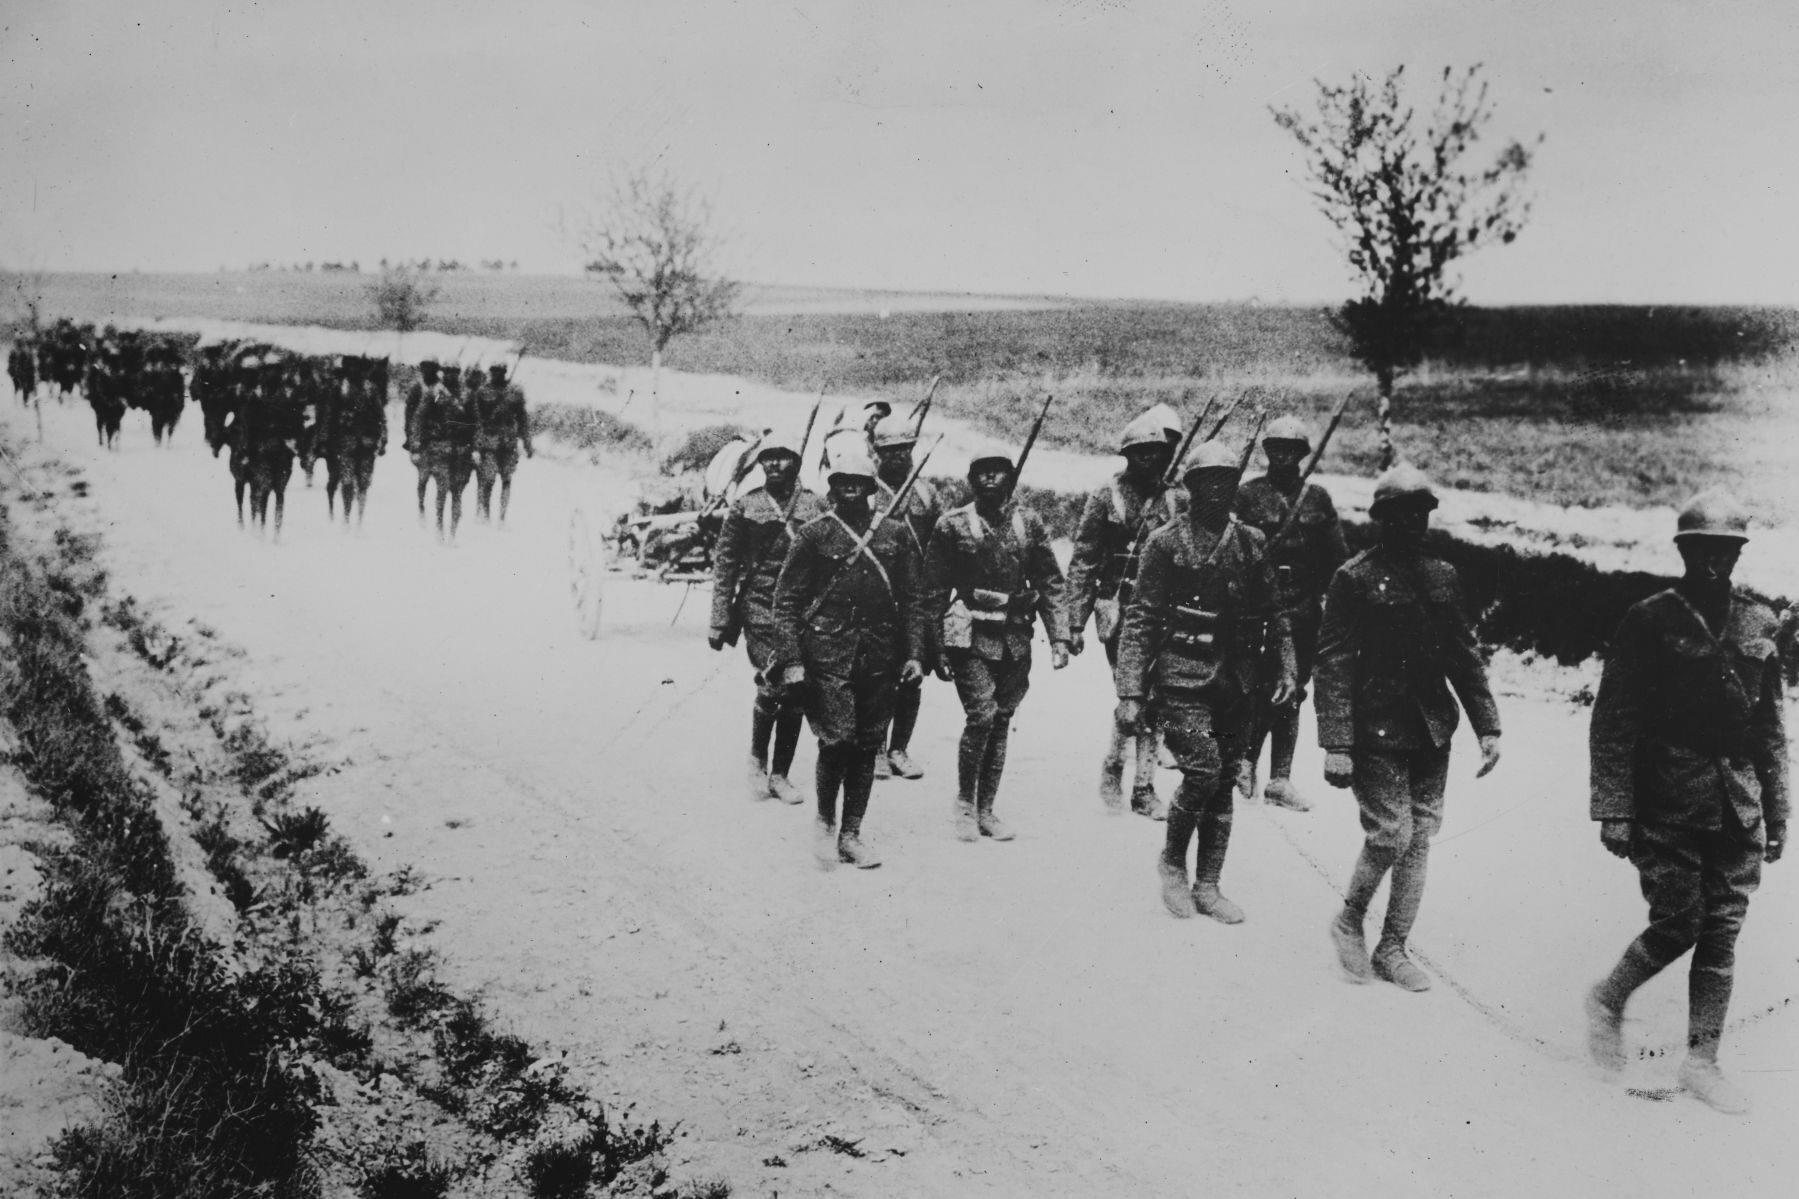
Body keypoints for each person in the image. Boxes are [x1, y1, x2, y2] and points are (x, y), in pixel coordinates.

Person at [1583, 488, 1787, 1114]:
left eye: (1726, 551)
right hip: (1666, 797)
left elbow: (1770, 728)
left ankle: (1702, 1061)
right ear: (1683, 551)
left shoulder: (1759, 622)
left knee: (1723, 929)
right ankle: (1608, 998)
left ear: (1739, 554)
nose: (1714, 562)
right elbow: (1613, 720)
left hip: (1738, 802)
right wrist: (1614, 807)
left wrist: (1779, 811)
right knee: (1679, 920)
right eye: (1703, 551)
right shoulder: (1650, 619)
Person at [1316, 463, 1502, 991]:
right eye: (1402, 515)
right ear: (1382, 518)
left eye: (1421, 514)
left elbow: (1463, 653)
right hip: (1374, 725)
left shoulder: (1443, 575)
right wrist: (1337, 743)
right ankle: (1349, 920)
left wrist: (1487, 725)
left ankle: (1392, 948)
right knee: (1390, 833)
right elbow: (1333, 662)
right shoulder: (1354, 577)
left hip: (1432, 728)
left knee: (1419, 839)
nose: (1413, 523)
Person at [1116, 440, 1294, 923]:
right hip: (1180, 680)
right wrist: (1130, 692)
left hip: (1235, 682)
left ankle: (1209, 883)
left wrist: (1286, 665)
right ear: (1190, 486)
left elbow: (1274, 611)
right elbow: (1141, 618)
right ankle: (1173, 863)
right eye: (1206, 481)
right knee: (1202, 769)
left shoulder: (1250, 542)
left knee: (1224, 779)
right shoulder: (1165, 543)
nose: (1217, 490)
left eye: (1226, 481)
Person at [771, 450, 928, 869]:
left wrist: (915, 654)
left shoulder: (895, 534)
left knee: (868, 744)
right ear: (833, 487)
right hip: (827, 653)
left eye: (859, 482)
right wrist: (792, 661)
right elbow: (786, 602)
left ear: (871, 487)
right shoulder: (814, 534)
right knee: (837, 739)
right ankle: (825, 822)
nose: (851, 489)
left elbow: (913, 600)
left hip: (880, 655)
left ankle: (851, 833)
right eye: (843, 481)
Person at [925, 452, 1070, 841]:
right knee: (982, 716)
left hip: (1015, 638)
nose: (990, 479)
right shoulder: (951, 525)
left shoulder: (1029, 523)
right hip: (969, 637)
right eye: (982, 473)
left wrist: (1059, 636)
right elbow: (934, 590)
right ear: (971, 480)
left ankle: (987, 808)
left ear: (1011, 478)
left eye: (998, 472)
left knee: (1002, 718)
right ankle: (965, 804)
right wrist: (935, 648)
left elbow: (1050, 581)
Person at [1066, 407, 1185, 817]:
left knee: (1158, 696)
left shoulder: (1177, 500)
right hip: (1119, 611)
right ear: (1128, 456)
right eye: (1140, 453)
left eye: (1157, 452)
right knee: (1134, 692)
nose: (1149, 460)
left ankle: (1143, 786)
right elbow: (1084, 559)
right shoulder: (1106, 496)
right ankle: (1116, 765)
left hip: (1164, 612)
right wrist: (1074, 622)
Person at [1234, 416, 1350, 811]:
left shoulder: (1317, 498)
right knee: (1254, 685)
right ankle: (1245, 762)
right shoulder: (1247, 495)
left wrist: (1333, 605)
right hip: (1255, 606)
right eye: (1276, 448)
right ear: (1267, 452)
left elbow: (1337, 559)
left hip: (1302, 609)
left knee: (1293, 690)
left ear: (1302, 454)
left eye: (1291, 449)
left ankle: (1280, 779)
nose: (1283, 456)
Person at [710, 433, 828, 805]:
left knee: (797, 690)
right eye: (767, 458)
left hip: (803, 612)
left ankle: (780, 774)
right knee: (775, 683)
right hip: (760, 608)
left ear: (797, 461)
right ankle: (757, 761)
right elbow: (726, 564)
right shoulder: (746, 505)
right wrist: (719, 619)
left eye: (782, 457)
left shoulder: (817, 505)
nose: (774, 464)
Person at [870, 415, 945, 780]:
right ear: (877, 453)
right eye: (890, 451)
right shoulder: (867, 491)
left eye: (904, 450)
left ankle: (899, 747)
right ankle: (876, 748)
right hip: (879, 594)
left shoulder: (927, 493)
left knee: (913, 673)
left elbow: (941, 542)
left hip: (918, 596)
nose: (898, 457)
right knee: (878, 676)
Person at [418, 365, 478, 542]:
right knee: (442, 489)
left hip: (461, 451)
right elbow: (420, 418)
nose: (451, 375)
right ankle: (439, 528)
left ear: (459, 374)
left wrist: (475, 448)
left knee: (457, 492)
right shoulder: (434, 393)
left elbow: (476, 423)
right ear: (443, 373)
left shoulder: (467, 395)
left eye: (455, 372)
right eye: (448, 371)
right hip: (440, 448)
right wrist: (418, 445)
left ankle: (452, 533)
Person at [474, 363, 533, 523]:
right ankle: (486, 515)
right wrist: (476, 446)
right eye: (494, 371)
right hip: (489, 442)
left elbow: (523, 419)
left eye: (500, 371)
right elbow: (477, 420)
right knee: (489, 479)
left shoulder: (514, 392)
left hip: (508, 443)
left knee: (507, 479)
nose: (497, 374)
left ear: (505, 372)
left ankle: (502, 517)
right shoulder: (483, 392)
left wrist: (527, 444)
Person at [404, 359, 442, 519]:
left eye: (431, 367)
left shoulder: (441, 387)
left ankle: (439, 509)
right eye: (425, 367)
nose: (428, 370)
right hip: (421, 436)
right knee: (423, 476)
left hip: (438, 437)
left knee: (440, 477)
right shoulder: (416, 387)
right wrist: (411, 437)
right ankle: (421, 505)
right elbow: (409, 413)